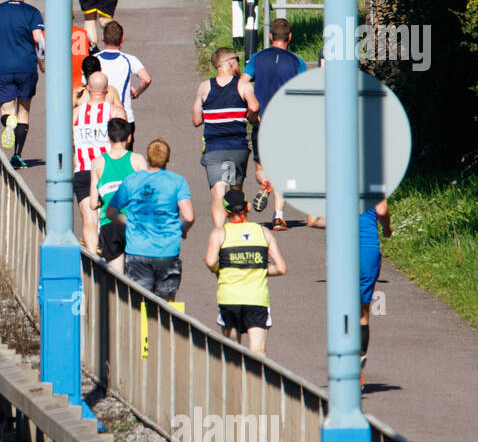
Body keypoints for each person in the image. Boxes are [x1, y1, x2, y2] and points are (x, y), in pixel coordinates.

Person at [305, 199, 392, 386]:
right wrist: (387, 229)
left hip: (341, 252)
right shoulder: (372, 182)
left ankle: (343, 359)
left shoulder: (333, 182)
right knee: (363, 312)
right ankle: (359, 360)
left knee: (342, 309)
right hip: (367, 249)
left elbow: (312, 221)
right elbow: (382, 210)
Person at [107, 138, 194, 301]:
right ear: (168, 158)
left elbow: (111, 212)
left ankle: (141, 327)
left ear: (147, 158)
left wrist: (130, 221)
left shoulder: (132, 180)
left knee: (139, 301)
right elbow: (189, 217)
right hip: (167, 250)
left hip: (137, 250)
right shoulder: (177, 181)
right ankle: (164, 327)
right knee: (166, 302)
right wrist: (182, 230)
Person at [242, 17, 308, 231]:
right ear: (289, 37)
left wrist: (252, 106)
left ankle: (266, 184)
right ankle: (279, 216)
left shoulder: (257, 58)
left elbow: (243, 82)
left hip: (261, 120)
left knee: (261, 167)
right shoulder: (297, 62)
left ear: (271, 37)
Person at [205, 188, 287, 356]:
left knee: (232, 350)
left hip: (230, 298)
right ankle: (258, 382)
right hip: (257, 299)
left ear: (225, 212)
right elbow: (281, 268)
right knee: (258, 350)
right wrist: (256, 267)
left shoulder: (220, 234)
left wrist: (225, 268)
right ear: (248, 207)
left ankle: (234, 382)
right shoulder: (263, 232)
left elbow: (211, 261)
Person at [0, 0, 45, 169]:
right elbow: (37, 38)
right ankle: (17, 154)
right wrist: (42, 62)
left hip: (3, 67)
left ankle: (8, 121)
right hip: (26, 66)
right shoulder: (33, 13)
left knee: (7, 110)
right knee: (24, 110)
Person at [192, 46, 258, 228]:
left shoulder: (205, 87)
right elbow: (253, 107)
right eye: (236, 60)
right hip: (238, 147)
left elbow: (196, 120)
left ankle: (220, 235)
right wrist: (250, 118)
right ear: (229, 62)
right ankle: (239, 231)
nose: (238, 64)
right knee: (236, 192)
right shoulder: (243, 86)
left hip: (215, 148)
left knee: (218, 195)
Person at [73, 72, 126, 252]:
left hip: (83, 168)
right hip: (109, 170)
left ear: (87, 88)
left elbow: (69, 142)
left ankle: (94, 257)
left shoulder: (75, 113)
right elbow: (125, 142)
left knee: (89, 220)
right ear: (107, 89)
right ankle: (112, 253)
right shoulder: (116, 112)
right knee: (112, 216)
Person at [90, 118, 146, 272]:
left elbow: (93, 203)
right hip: (134, 223)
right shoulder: (137, 160)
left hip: (109, 224)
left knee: (117, 276)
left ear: (108, 138)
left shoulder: (98, 162)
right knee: (137, 276)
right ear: (129, 137)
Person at [92, 21, 149, 125]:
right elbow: (146, 79)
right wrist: (137, 92)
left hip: (99, 117)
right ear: (122, 39)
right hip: (124, 117)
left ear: (102, 38)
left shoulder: (94, 59)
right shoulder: (129, 59)